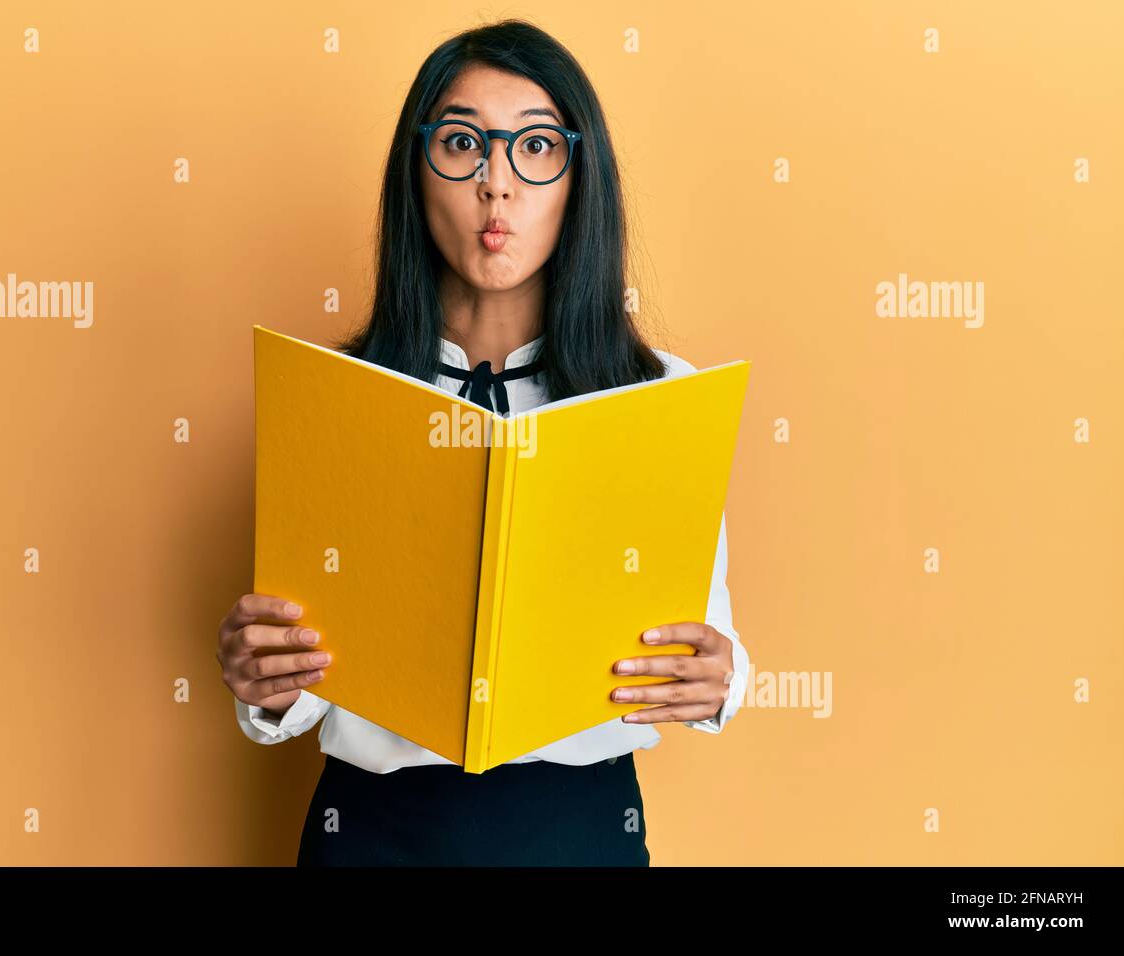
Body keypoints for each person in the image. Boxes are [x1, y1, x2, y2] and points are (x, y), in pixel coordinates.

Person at [216, 19, 750, 866]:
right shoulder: (338, 393)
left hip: (579, 829)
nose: (496, 185)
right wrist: (262, 684)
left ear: (580, 180)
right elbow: (301, 673)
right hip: (369, 833)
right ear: (414, 173)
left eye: (536, 148)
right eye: (462, 144)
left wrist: (722, 676)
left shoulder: (656, 395)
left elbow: (705, 634)